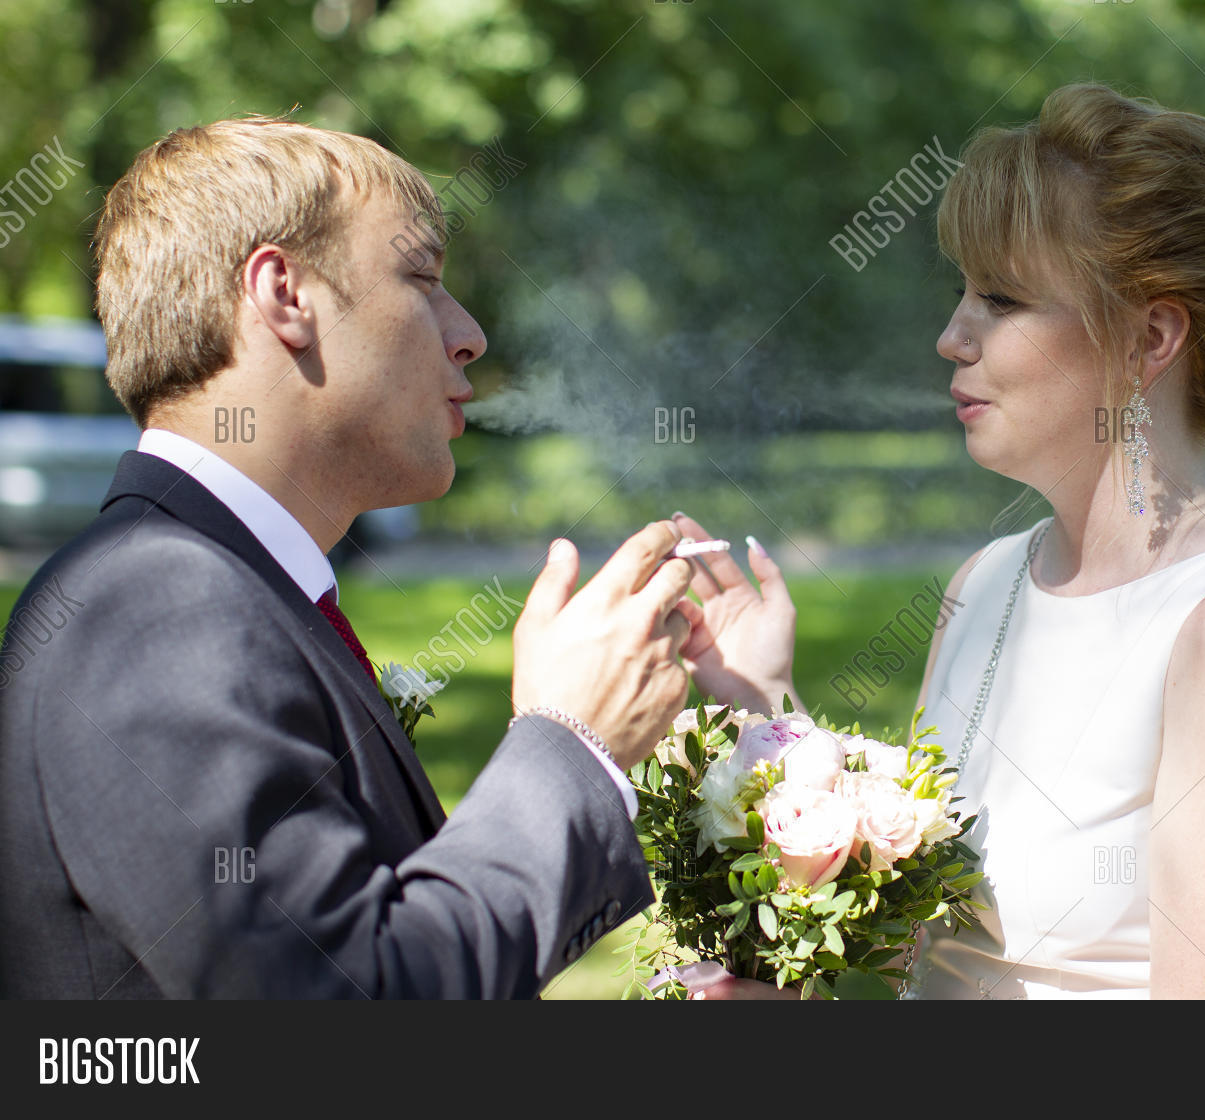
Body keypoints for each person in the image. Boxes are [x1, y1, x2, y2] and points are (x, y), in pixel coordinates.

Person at [674, 83, 1205, 999]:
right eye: (962, 292)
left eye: (1000, 300)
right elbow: (930, 940)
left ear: (1149, 335)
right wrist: (765, 704)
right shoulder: (987, 583)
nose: (950, 337)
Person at [0, 117, 696, 998]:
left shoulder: (209, 586)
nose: (469, 333)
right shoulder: (154, 604)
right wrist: (572, 743)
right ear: (284, 295)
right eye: (422, 279)